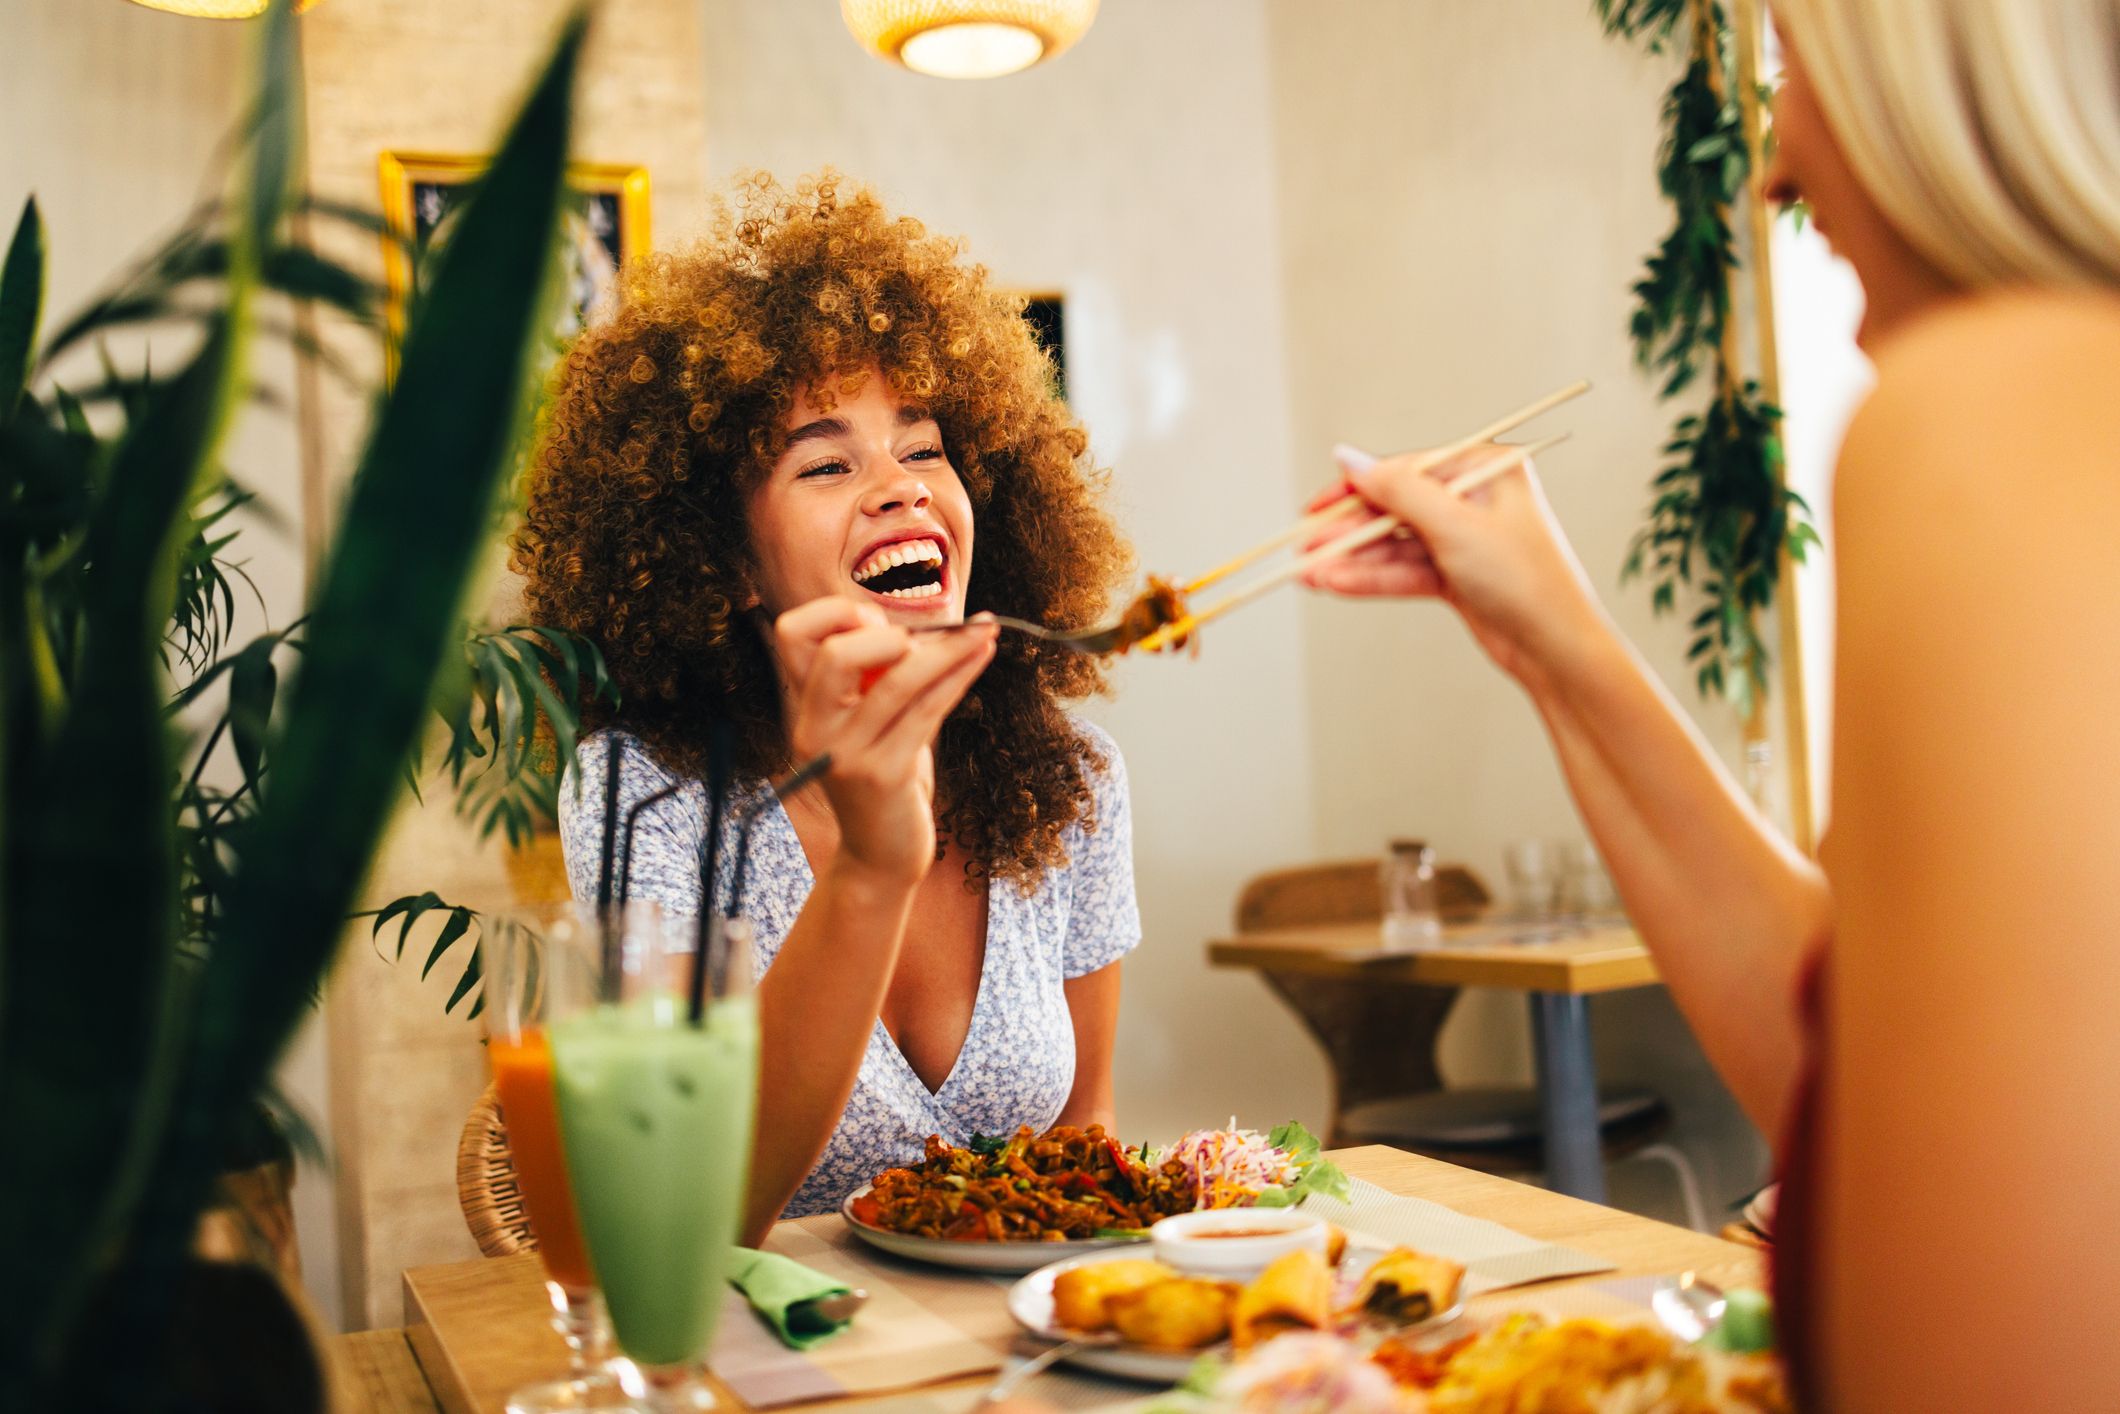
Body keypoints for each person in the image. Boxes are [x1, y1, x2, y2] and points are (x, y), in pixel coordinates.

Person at [1306, 2, 2120, 1405]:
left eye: (1800, 65)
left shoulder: (1990, 409)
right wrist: (1550, 637)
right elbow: (1845, 1059)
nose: (1769, 163)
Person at [514, 171, 1141, 1244]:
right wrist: (868, 863)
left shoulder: (1069, 780)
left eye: (922, 446)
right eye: (825, 462)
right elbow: (687, 1213)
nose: (899, 486)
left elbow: (1084, 1134)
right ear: (729, 563)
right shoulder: (646, 794)